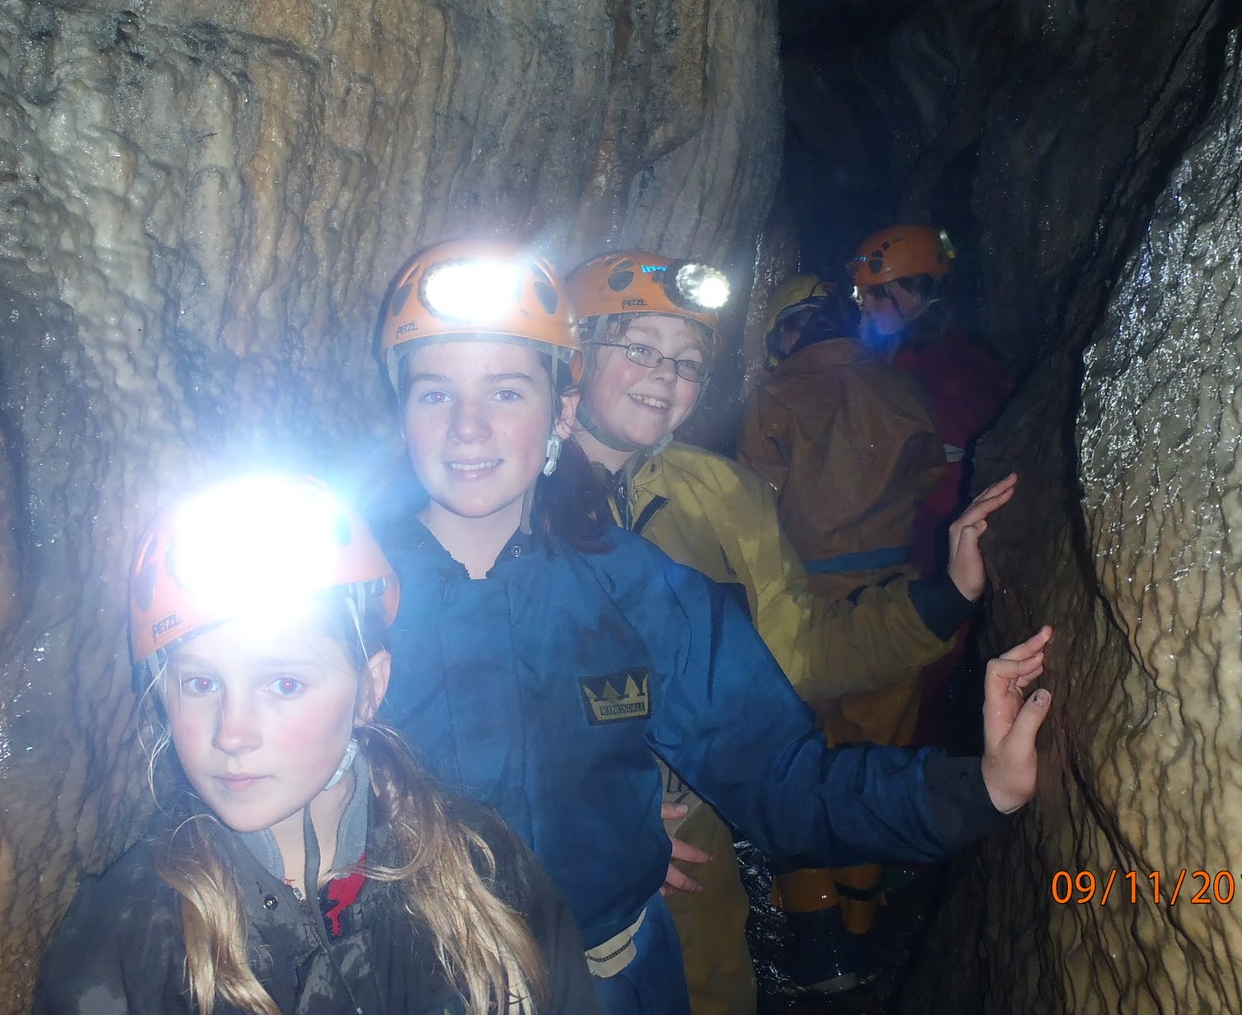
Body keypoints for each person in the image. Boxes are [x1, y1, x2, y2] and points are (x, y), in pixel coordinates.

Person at [370, 239, 1054, 1015]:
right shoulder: (339, 594)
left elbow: (779, 762)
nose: (468, 428)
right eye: (434, 394)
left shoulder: (644, 581)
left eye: (504, 393)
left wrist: (977, 787)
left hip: (616, 974)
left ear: (555, 406)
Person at [564, 250, 1016, 1013]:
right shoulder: (499, 490)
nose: (665, 377)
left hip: (690, 857)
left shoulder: (722, 496)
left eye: (688, 362)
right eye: (638, 349)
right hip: (541, 881)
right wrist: (587, 823)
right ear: (571, 355)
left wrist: (945, 596)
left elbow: (792, 657)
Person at [33, 473, 600, 1015]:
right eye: (200, 683)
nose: (231, 732)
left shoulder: (484, 874)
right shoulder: (129, 938)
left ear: (368, 690)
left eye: (284, 684)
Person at [737, 272, 955, 991]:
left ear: (787, 329)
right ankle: (861, 939)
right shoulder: (903, 392)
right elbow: (927, 476)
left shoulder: (775, 398)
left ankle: (817, 941)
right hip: (894, 607)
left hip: (802, 609)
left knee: (799, 771)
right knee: (873, 765)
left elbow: (749, 505)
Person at [851, 224, 1016, 748]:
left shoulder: (929, 369)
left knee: (910, 689)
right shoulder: (968, 358)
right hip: (942, 553)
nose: (863, 310)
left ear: (907, 292)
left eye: (872, 295)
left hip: (934, 554)